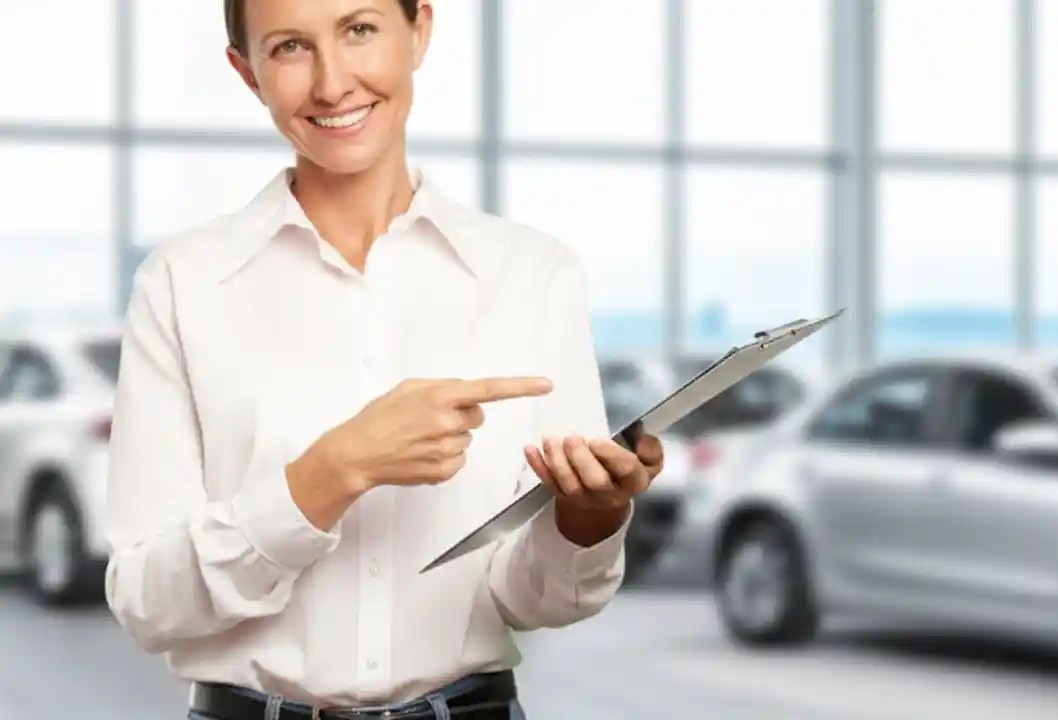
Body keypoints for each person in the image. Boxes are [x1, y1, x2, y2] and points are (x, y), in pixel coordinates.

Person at [103, 1, 665, 718]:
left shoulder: (532, 276)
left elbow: (534, 600)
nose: (333, 82)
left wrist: (588, 520)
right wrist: (333, 471)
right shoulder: (183, 284)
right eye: (289, 48)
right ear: (247, 72)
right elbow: (147, 602)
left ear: (419, 30)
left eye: (359, 29)